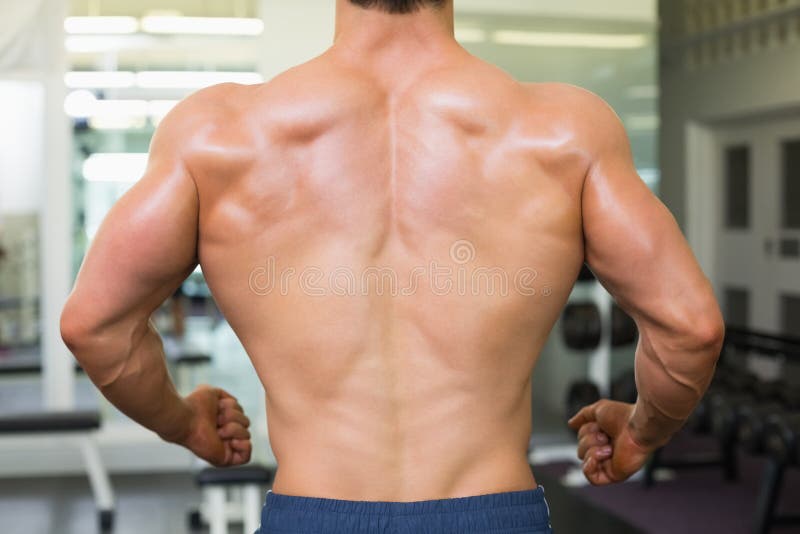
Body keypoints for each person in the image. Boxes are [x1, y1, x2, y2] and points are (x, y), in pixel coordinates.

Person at [60, 0, 725, 532]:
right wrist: (641, 433)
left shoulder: (217, 135)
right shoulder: (563, 130)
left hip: (312, 514)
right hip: (492, 514)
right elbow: (690, 329)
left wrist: (184, 423)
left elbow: (95, 325)